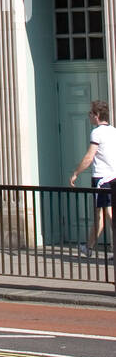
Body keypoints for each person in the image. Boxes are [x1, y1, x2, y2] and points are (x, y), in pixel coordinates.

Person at [70, 101, 116, 254]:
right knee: (101, 214)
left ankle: (90, 247)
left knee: (107, 214)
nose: (89, 116)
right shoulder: (113, 131)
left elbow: (89, 156)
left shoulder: (97, 133)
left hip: (102, 178)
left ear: (96, 116)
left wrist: (76, 173)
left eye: (90, 113)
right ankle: (89, 247)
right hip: (113, 176)